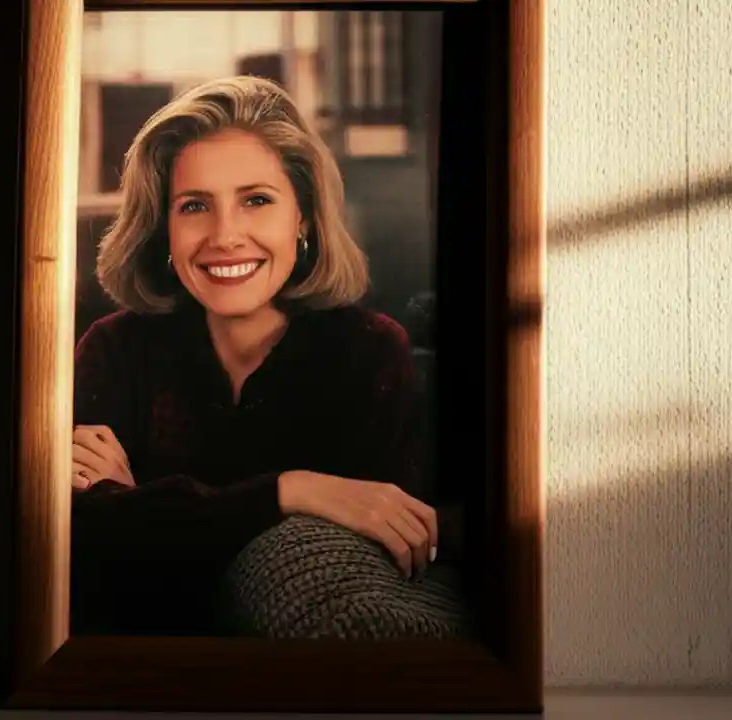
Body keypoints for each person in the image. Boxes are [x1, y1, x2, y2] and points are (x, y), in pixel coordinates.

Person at [69, 75, 458, 637]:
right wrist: (294, 490)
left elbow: (376, 553)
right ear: (164, 231)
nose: (225, 236)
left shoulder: (369, 350)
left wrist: (145, 507)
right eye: (195, 206)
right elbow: (82, 549)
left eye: (256, 200)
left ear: (302, 216)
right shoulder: (115, 348)